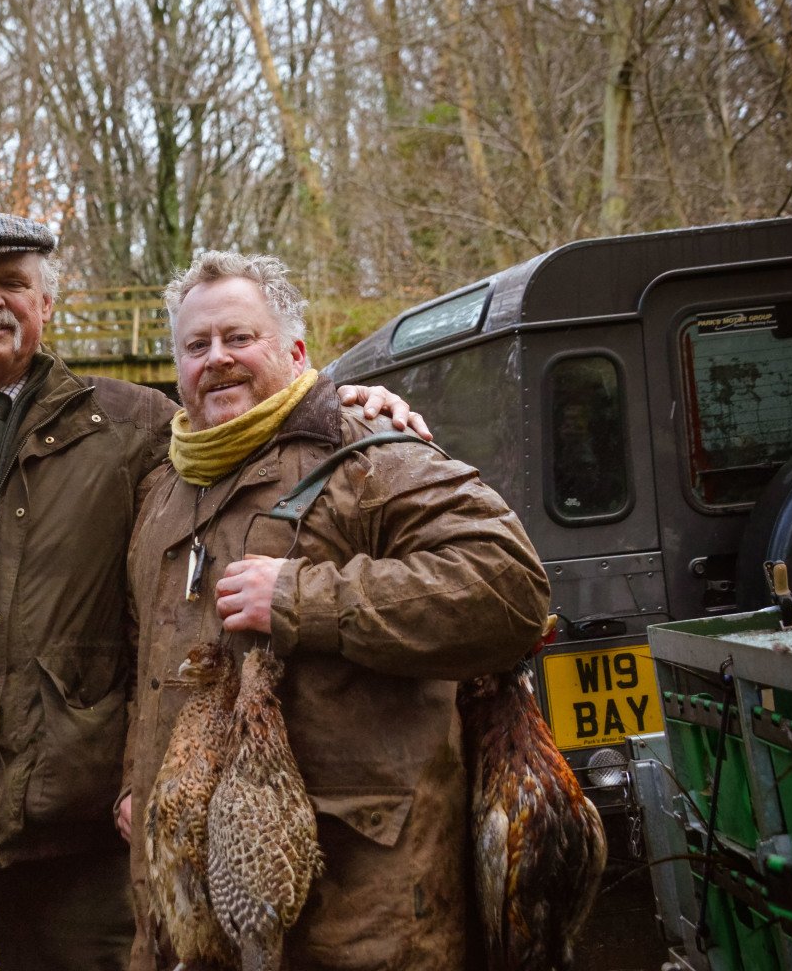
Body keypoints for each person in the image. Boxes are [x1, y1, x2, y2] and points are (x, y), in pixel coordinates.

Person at [0, 215, 424, 971]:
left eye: (13, 284)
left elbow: (247, 425)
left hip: (78, 839)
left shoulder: (135, 428)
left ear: (46, 306)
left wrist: (346, 409)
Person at [120, 250, 551, 970]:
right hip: (192, 902)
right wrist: (133, 784)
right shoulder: (164, 486)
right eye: (197, 346)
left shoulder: (373, 455)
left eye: (239, 338)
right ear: (177, 367)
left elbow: (509, 589)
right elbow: (146, 652)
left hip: (359, 907)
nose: (217, 359)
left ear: (295, 351)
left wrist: (299, 597)